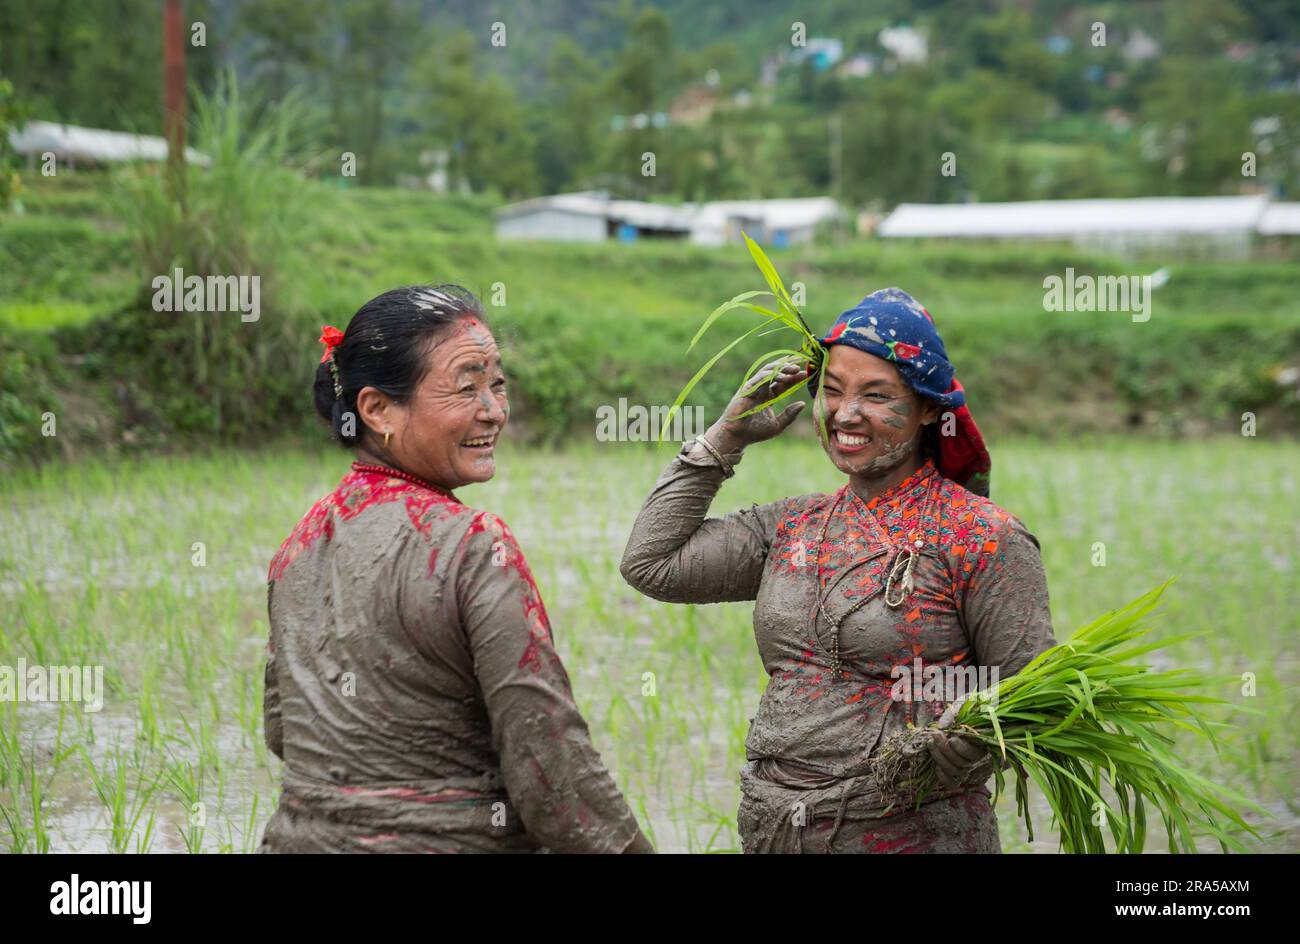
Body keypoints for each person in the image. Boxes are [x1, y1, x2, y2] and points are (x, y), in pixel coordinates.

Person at [620, 287, 1057, 853]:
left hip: (913, 834)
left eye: (876, 395)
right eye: (832, 391)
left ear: (928, 408)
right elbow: (652, 563)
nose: (845, 414)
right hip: (776, 831)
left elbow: (1039, 697)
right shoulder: (794, 525)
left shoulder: (980, 537)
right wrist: (725, 437)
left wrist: (976, 741)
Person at [260, 284, 651, 853]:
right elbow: (548, 763)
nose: (493, 411)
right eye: (466, 387)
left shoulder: (297, 544)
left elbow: (283, 730)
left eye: (497, 384)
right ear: (377, 410)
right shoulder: (471, 545)